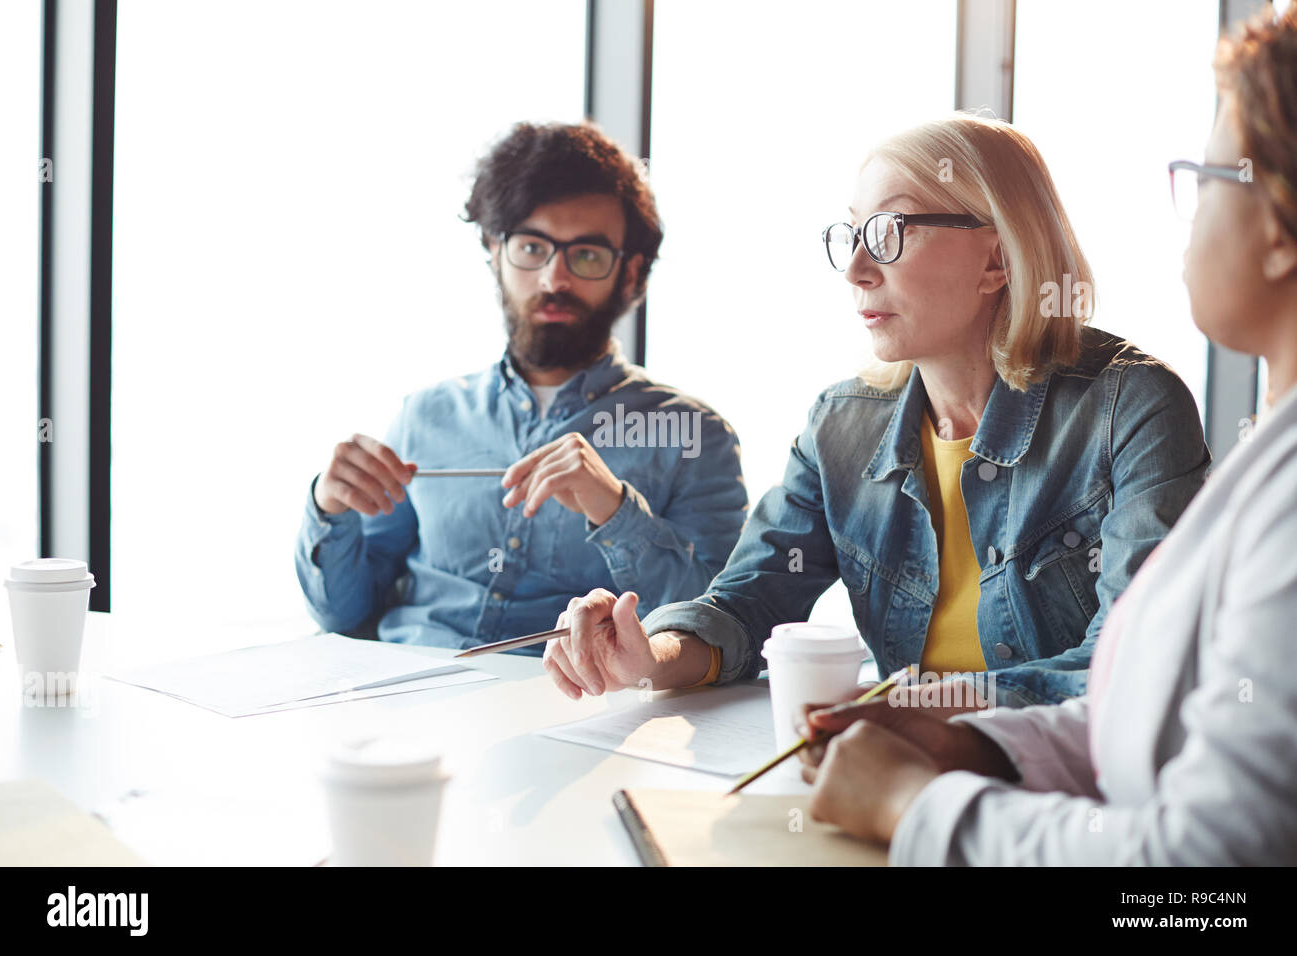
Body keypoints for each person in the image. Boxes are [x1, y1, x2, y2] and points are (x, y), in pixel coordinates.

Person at [797, 5, 1297, 865]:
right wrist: (976, 745)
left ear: (1282, 227)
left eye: (1211, 175)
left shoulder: (1149, 417)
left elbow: (1208, 882)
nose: (857, 267)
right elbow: (1136, 712)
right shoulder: (1271, 461)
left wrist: (917, 804)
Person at [544, 113, 1209, 710]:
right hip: (894, 773)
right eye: (852, 233)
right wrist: (649, 657)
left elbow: (1129, 664)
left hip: (1066, 794)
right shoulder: (841, 423)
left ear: (998, 259)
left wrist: (902, 711)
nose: (857, 268)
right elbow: (746, 606)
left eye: (890, 231)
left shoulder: (1133, 408)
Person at [294, 122, 747, 653]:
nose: (554, 279)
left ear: (632, 274)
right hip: (404, 694)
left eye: (588, 255)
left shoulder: (694, 435)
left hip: (572, 707)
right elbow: (342, 615)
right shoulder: (424, 416)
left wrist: (616, 511)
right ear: (494, 249)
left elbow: (712, 628)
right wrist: (329, 509)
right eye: (532, 247)